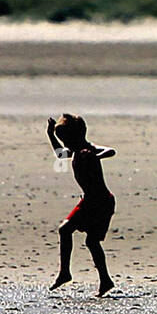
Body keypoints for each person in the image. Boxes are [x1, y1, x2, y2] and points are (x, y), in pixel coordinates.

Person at [47, 113, 116, 296]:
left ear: (76, 136)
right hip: (89, 200)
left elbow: (111, 151)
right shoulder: (75, 151)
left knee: (90, 241)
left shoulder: (87, 149)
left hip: (100, 202)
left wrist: (95, 155)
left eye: (66, 140)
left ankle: (104, 280)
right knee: (67, 231)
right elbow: (60, 155)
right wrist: (50, 135)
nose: (65, 145)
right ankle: (66, 273)